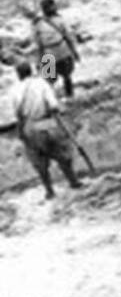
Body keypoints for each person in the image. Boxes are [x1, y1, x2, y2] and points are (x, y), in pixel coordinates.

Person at [11, 61, 81, 199]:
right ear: (31, 71)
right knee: (62, 154)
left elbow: (17, 114)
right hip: (47, 123)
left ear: (18, 75)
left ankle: (49, 191)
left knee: (38, 160)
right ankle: (73, 182)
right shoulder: (41, 83)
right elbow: (54, 105)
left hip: (30, 127)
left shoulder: (14, 90)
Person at [32, 0, 78, 99]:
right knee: (63, 77)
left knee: (54, 80)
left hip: (51, 53)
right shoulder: (57, 20)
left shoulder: (38, 24)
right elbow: (69, 37)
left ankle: (59, 100)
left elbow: (38, 44)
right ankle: (68, 97)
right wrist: (74, 51)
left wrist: (38, 61)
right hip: (60, 51)